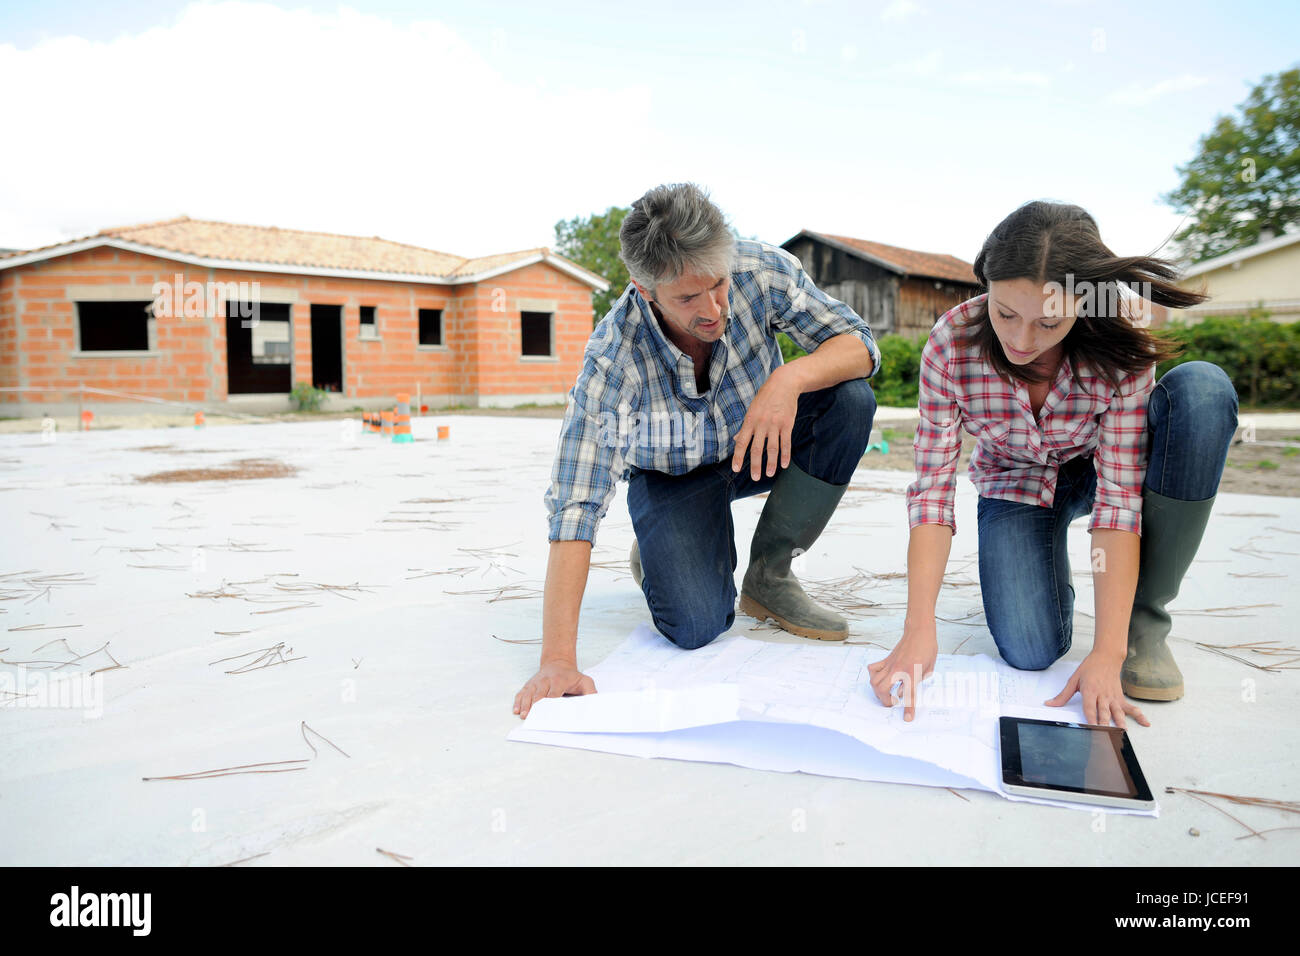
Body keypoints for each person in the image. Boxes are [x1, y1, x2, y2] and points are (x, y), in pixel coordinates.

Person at [514, 183, 880, 718]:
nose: (713, 310)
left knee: (850, 401)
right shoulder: (614, 357)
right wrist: (557, 660)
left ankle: (769, 575)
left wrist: (786, 382)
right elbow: (576, 503)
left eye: (719, 284)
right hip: (673, 476)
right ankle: (666, 549)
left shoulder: (762, 270)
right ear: (644, 290)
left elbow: (859, 344)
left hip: (759, 443)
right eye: (688, 298)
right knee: (694, 627)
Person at [868, 200, 1237, 728]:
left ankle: (1143, 622)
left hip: (1101, 471)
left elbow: (1118, 503)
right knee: (1028, 649)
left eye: (1049, 321)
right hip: (1014, 478)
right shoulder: (950, 344)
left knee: (1202, 390)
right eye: (1005, 313)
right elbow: (931, 491)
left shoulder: (1120, 341)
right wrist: (917, 625)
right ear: (986, 285)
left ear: (1083, 304)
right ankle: (1043, 570)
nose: (1020, 341)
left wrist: (1107, 654)